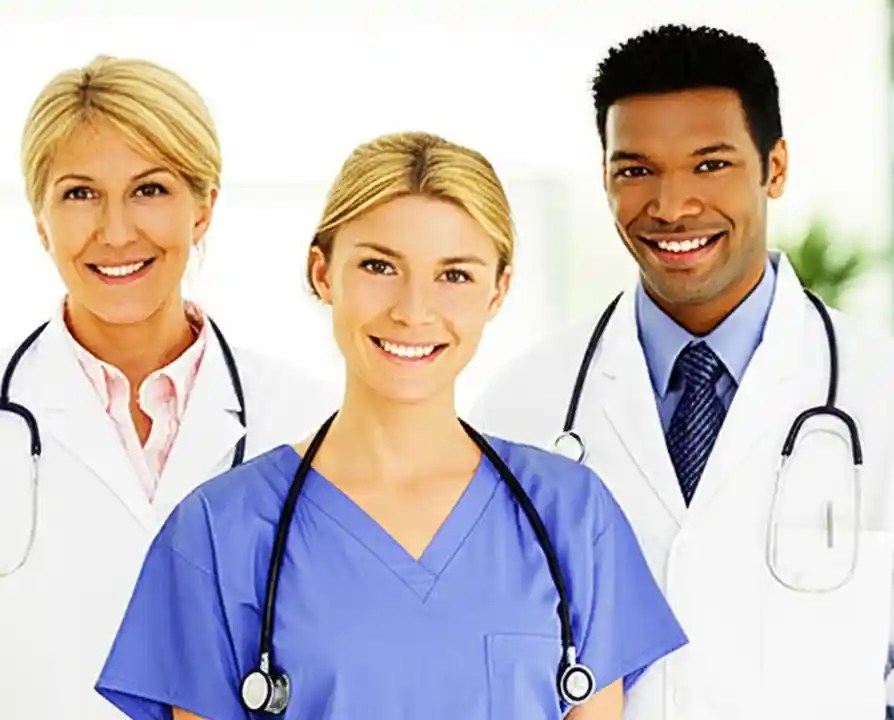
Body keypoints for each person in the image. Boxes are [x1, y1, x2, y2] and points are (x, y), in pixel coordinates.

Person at [470, 24, 894, 719]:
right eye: (635, 170)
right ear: (605, 176)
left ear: (774, 168)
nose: (671, 205)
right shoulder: (520, 408)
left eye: (709, 164)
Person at [94, 131, 687, 720]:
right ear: (322, 274)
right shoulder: (218, 532)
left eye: (454, 275)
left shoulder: (573, 517)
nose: (413, 310)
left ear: (498, 291)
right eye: (380, 266)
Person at [0, 55, 332, 719]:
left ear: (203, 209)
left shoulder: (308, 422)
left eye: (150, 190)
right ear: (41, 220)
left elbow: (354, 668)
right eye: (79, 193)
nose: (116, 231)